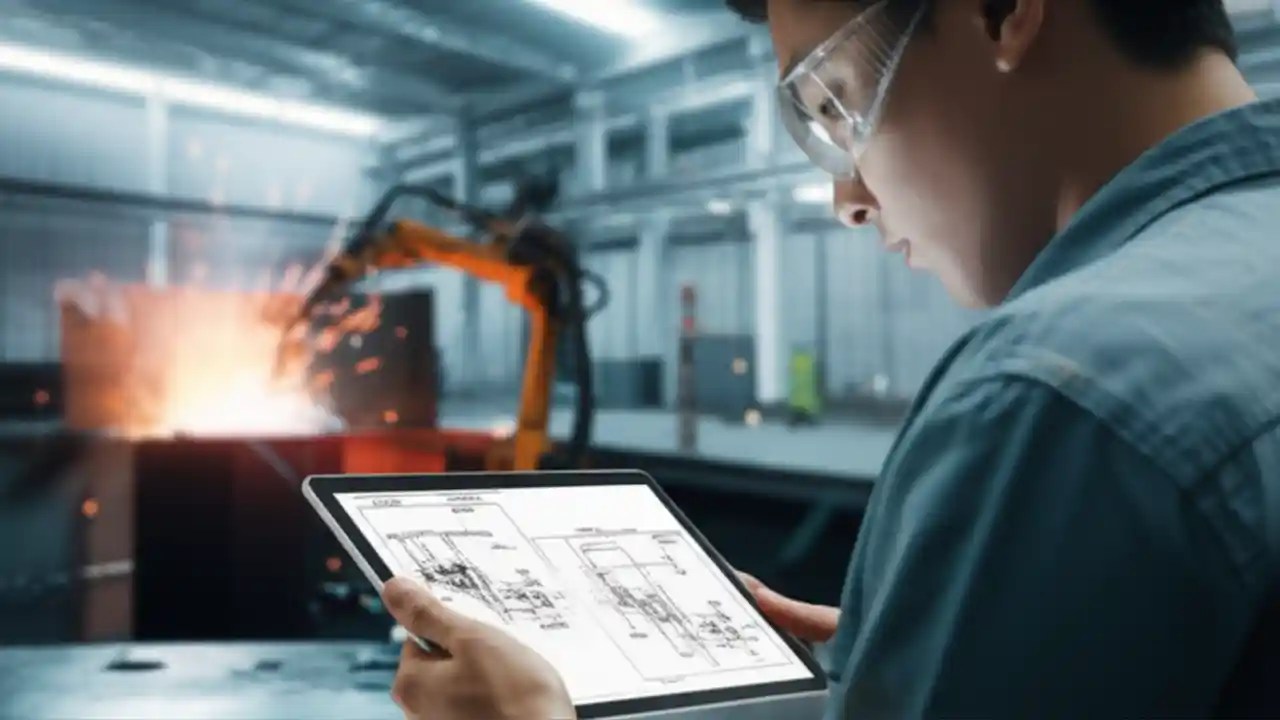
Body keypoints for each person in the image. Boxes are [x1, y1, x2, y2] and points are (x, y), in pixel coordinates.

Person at [381, 0, 1280, 717]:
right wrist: (931, 655)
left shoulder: (1054, 392)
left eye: (833, 103)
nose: (847, 195)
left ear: (1002, 12)